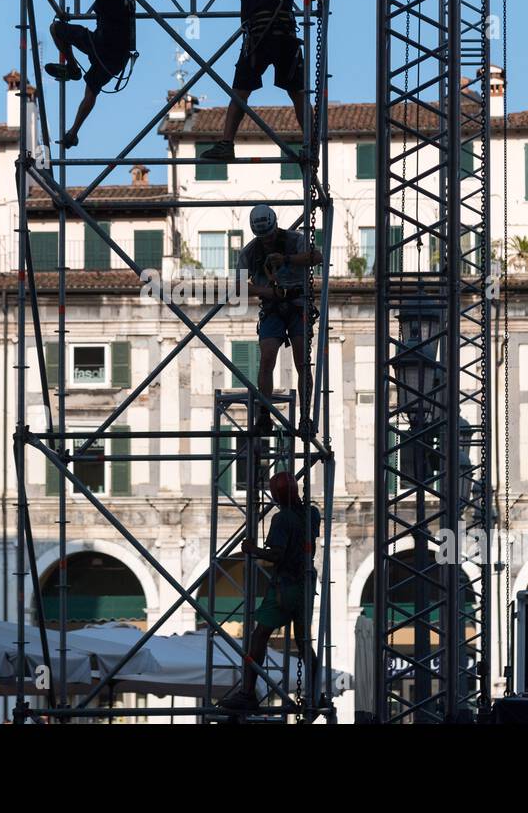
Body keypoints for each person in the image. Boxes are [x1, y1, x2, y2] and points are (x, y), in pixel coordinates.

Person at [174, 0, 321, 161]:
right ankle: (310, 145)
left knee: (240, 93)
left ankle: (226, 143)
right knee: (298, 93)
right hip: (286, 38)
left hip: (259, 38)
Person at [219, 471, 322, 713]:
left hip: (285, 586)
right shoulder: (312, 513)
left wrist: (253, 549)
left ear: (276, 495)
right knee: (304, 641)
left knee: (259, 636)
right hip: (306, 583)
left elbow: (277, 554)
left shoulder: (281, 519)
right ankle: (316, 692)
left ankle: (247, 693)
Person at [237, 204, 322, 435]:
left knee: (302, 362)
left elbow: (317, 256)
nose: (267, 241)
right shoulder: (250, 253)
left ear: (276, 227)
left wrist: (287, 259)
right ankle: (264, 415)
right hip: (272, 306)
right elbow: (239, 285)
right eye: (262, 237)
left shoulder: (295, 240)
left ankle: (305, 417)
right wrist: (268, 293)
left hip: (297, 305)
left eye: (270, 235)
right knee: (266, 359)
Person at [44, 0, 136, 149]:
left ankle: (73, 68)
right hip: (119, 56)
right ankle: (73, 132)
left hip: (102, 44)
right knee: (92, 90)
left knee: (56, 29)